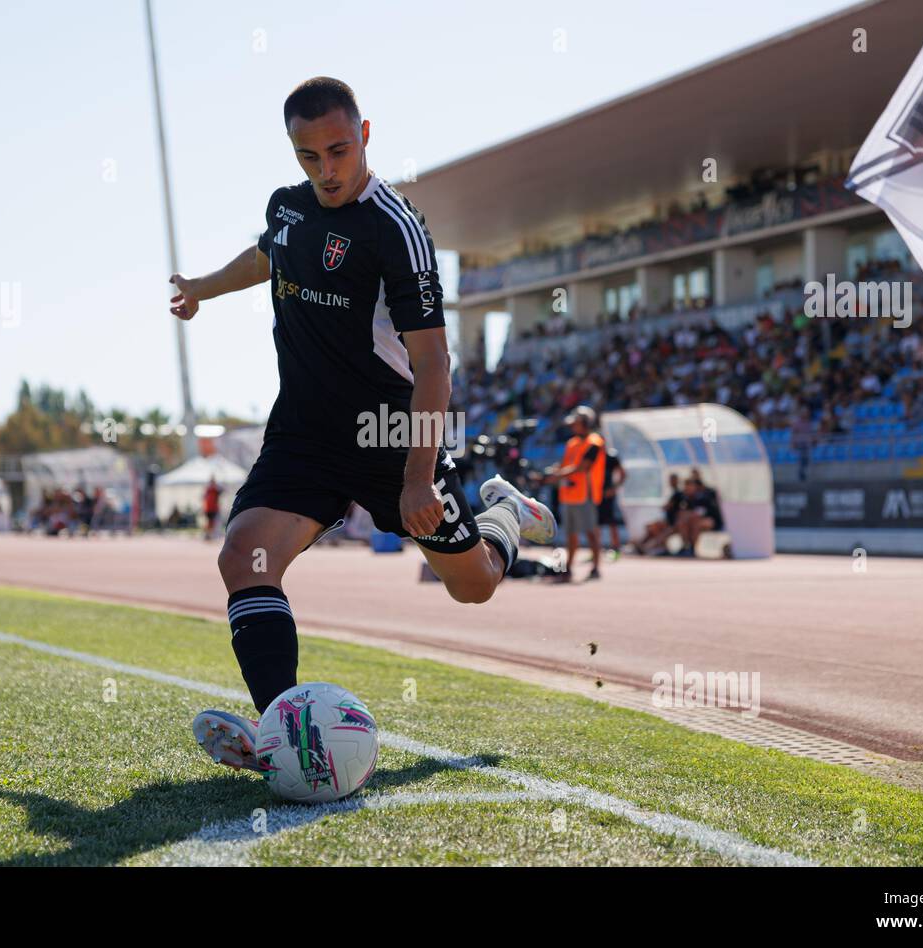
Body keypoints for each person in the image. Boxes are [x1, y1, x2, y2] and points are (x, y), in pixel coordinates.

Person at [167, 77, 556, 772]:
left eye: (338, 150)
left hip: (389, 437)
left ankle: (506, 515)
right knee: (242, 557)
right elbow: (268, 254)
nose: (325, 170)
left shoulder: (396, 229)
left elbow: (434, 364)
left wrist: (414, 480)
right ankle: (284, 735)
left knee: (474, 585)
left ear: (365, 135)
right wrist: (203, 288)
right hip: (304, 436)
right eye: (307, 155)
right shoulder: (288, 209)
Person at [539, 405, 605, 581]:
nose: (572, 426)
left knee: (591, 532)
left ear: (585, 423)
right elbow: (566, 464)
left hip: (585, 494)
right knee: (571, 534)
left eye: (576, 423)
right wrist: (553, 472)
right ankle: (568, 568)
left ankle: (596, 568)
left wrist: (557, 475)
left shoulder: (594, 442)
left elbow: (583, 467)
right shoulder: (572, 443)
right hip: (569, 494)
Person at [675, 475, 724, 557]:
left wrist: (687, 514)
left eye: (689, 486)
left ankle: (692, 548)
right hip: (695, 521)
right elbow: (681, 513)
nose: (686, 488)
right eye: (685, 486)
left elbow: (699, 513)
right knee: (682, 523)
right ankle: (686, 547)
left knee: (695, 523)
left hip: (713, 521)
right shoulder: (686, 498)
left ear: (694, 487)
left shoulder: (702, 496)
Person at [596, 444, 626, 557]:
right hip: (596, 494)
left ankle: (616, 547)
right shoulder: (593, 457)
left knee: (611, 521)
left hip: (608, 494)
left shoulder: (611, 456)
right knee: (595, 522)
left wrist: (614, 489)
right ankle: (596, 549)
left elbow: (623, 474)